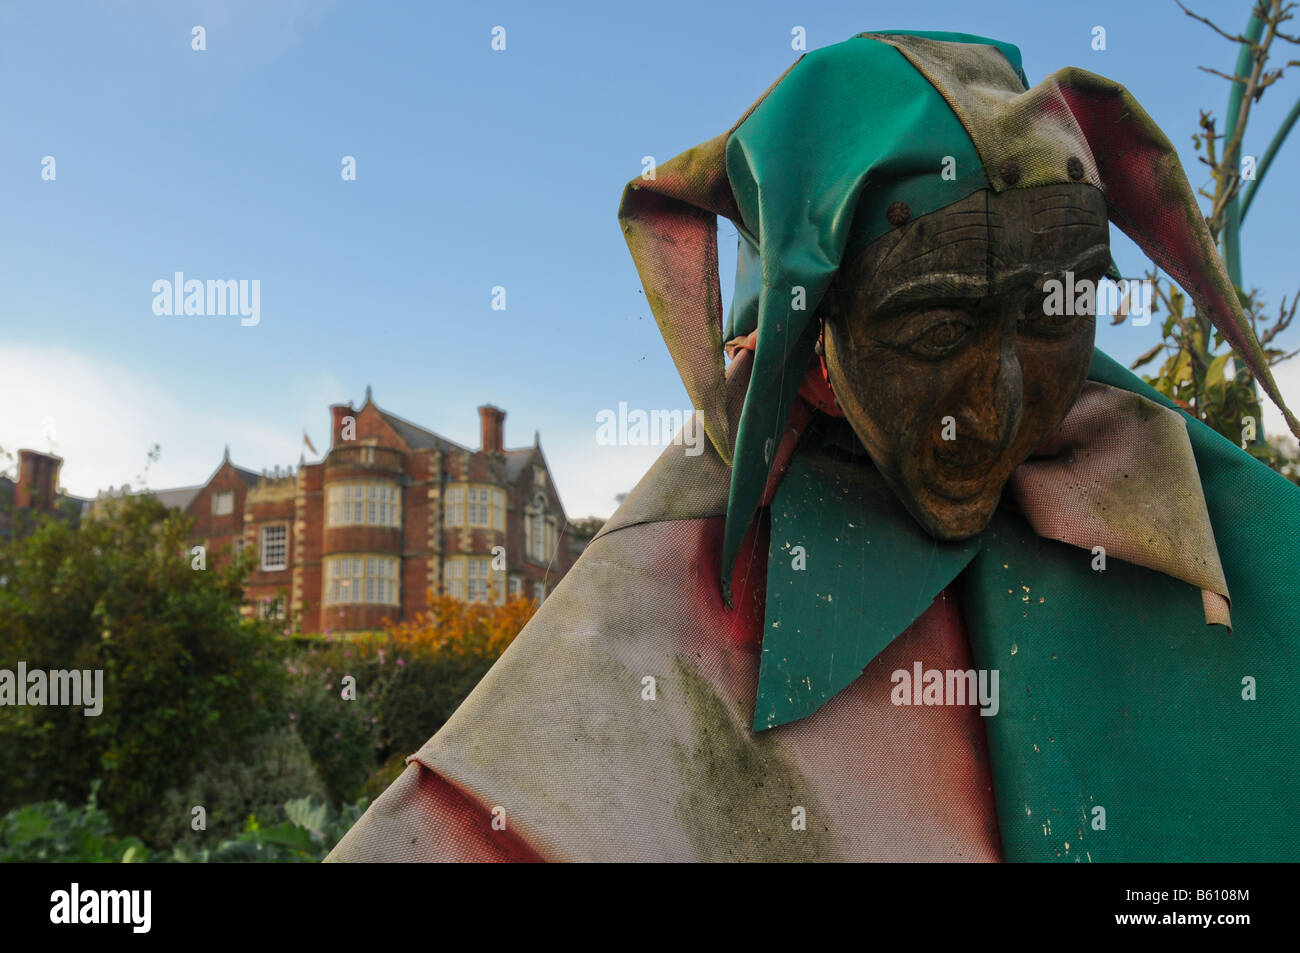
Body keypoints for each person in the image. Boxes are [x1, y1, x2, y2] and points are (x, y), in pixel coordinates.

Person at [327, 30, 1300, 862]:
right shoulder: (628, 659)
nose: (1004, 399)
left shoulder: (1223, 538)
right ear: (810, 360)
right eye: (932, 326)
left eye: (1056, 307)